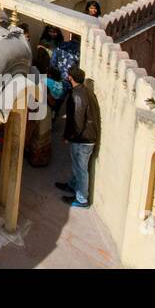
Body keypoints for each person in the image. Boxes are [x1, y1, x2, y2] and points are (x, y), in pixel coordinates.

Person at [56, 67, 99, 208]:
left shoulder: (78, 95)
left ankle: (82, 199)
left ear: (70, 78)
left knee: (81, 169)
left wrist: (69, 136)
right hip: (85, 137)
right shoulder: (84, 91)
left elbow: (77, 120)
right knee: (77, 166)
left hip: (83, 139)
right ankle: (72, 185)